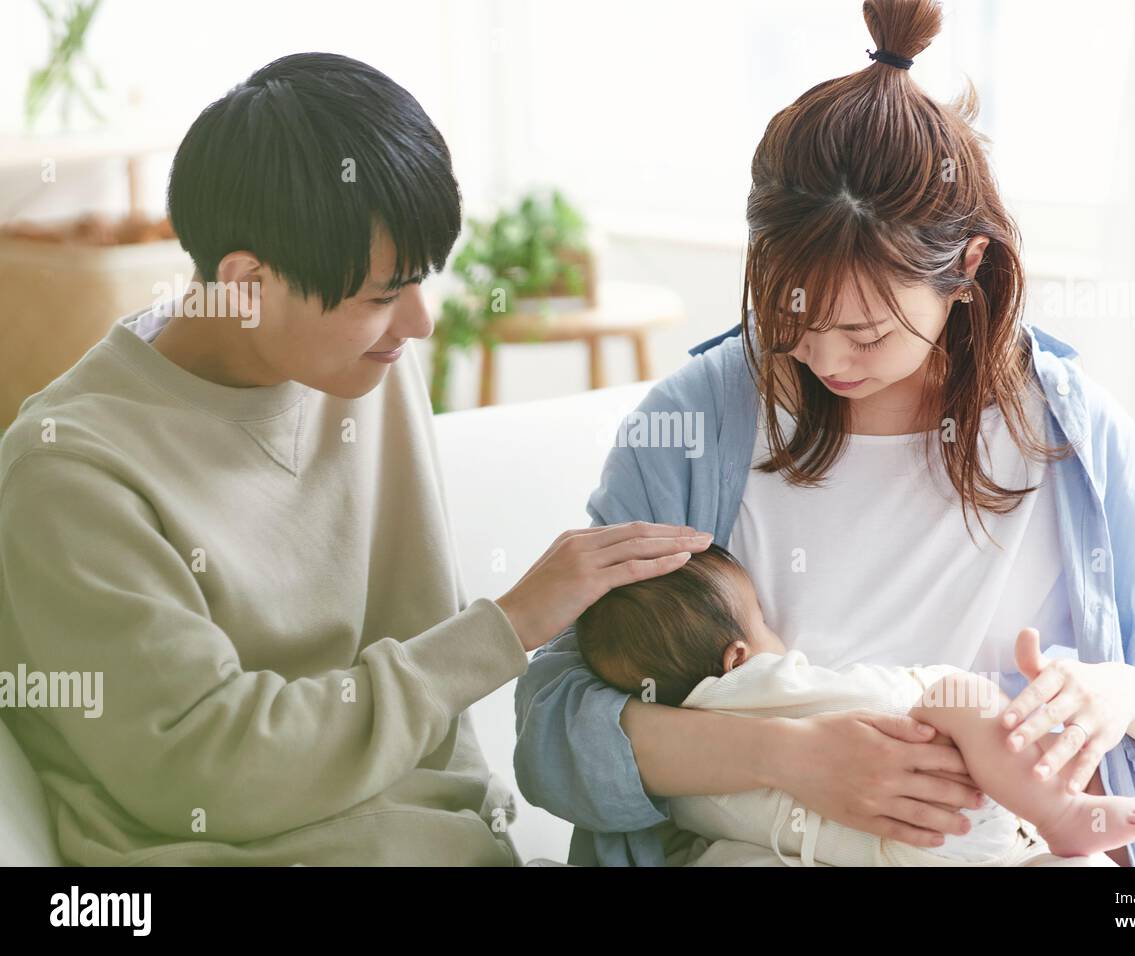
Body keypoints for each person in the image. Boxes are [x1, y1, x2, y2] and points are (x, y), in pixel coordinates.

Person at [512, 0, 1135, 867]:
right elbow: (554, 723)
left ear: (966, 271)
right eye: (790, 314)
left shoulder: (1072, 436)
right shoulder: (693, 430)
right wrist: (788, 758)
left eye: (868, 332)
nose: (822, 357)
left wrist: (1122, 694)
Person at [0, 52, 711, 866]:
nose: (419, 324)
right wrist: (507, 626)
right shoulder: (72, 473)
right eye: (381, 296)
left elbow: (439, 734)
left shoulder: (366, 372)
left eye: (420, 284)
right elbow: (205, 774)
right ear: (246, 286)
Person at [575, 543, 1135, 866]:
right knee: (950, 692)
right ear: (736, 658)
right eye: (763, 622)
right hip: (955, 810)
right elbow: (881, 696)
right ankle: (1060, 813)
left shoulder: (675, 783)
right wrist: (928, 689)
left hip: (876, 854)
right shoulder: (769, 683)